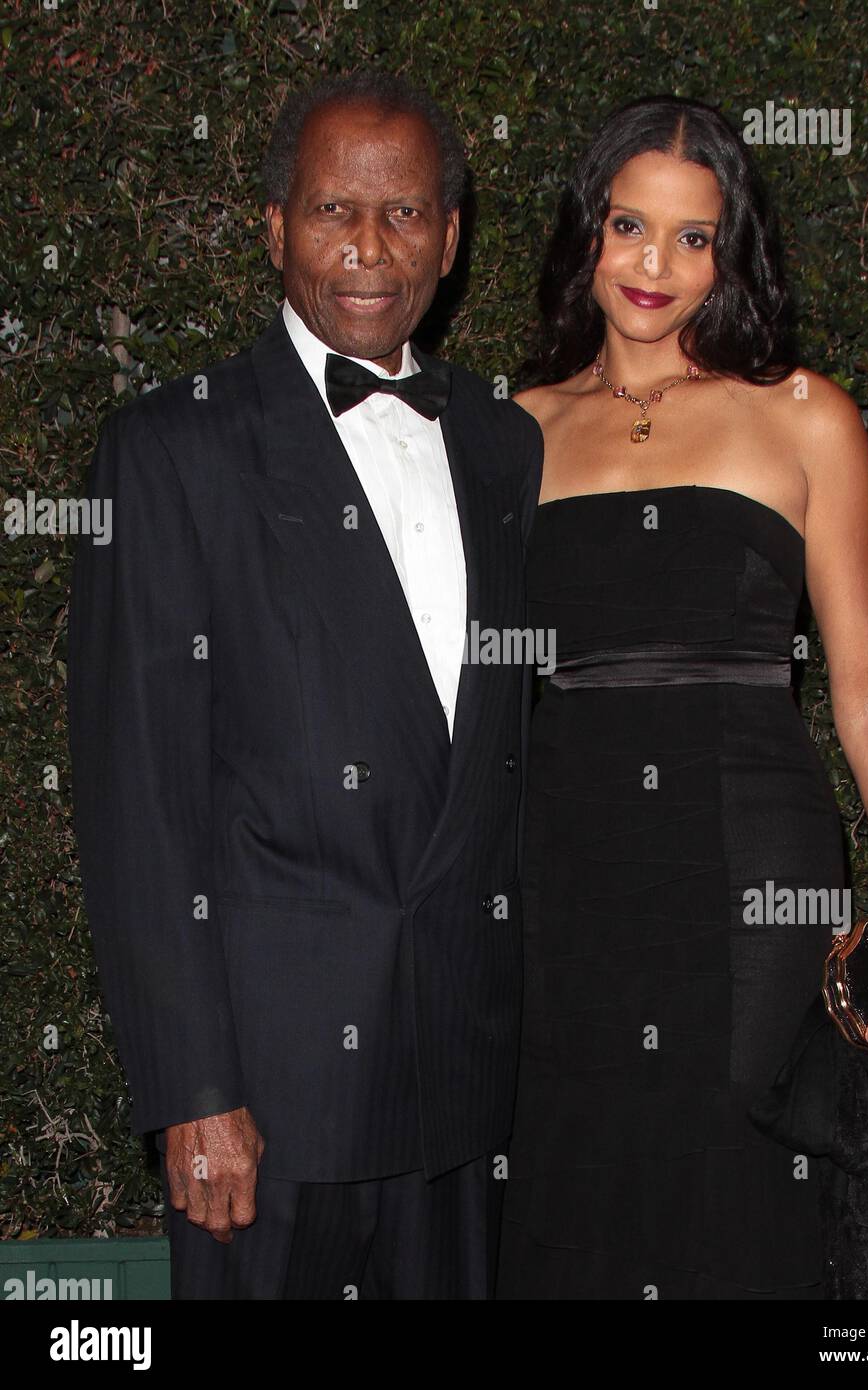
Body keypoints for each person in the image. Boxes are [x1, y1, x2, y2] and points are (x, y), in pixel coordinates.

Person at [67, 71, 543, 1300]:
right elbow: (141, 806)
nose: (369, 248)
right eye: (335, 210)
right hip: (265, 1113)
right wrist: (192, 1093)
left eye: (404, 214)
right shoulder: (172, 450)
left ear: (451, 232)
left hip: (464, 1090)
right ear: (275, 227)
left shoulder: (504, 440)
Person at [495, 95, 868, 1300]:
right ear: (584, 232)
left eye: (692, 237)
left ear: (730, 248)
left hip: (750, 843)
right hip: (567, 848)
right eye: (628, 226)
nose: (654, 266)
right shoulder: (511, 432)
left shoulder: (803, 416)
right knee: (575, 1155)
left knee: (743, 1147)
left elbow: (861, 687)